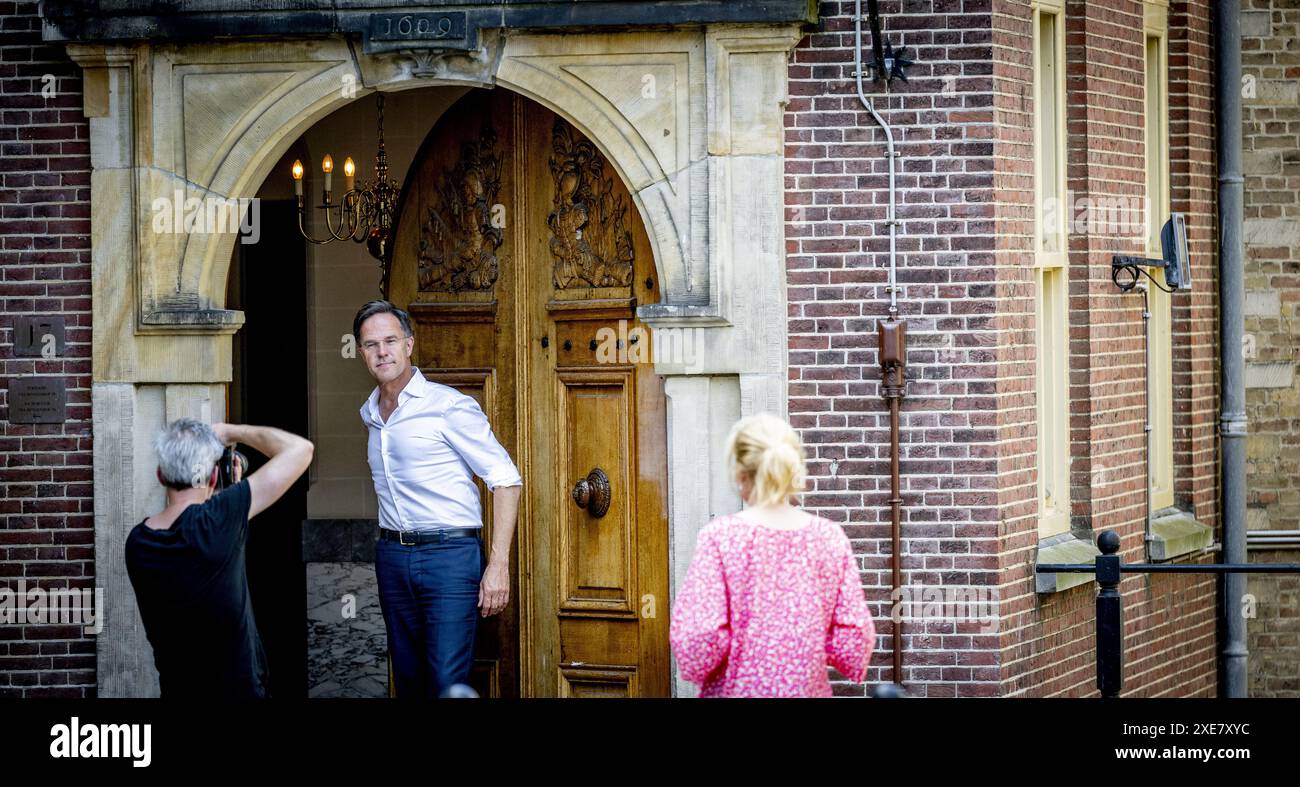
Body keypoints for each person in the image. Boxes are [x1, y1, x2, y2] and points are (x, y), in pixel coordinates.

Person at [353, 299, 523, 698]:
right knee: (409, 681)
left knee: (447, 681)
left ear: (409, 344)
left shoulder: (448, 406)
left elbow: (506, 480)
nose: (382, 351)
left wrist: (497, 564)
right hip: (393, 556)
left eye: (391, 341)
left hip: (449, 558)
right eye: (371, 344)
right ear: (361, 352)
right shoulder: (370, 413)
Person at [669, 413, 875, 697]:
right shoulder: (829, 538)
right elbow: (854, 641)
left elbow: (697, 642)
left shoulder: (720, 538)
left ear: (741, 474)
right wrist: (806, 644)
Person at [125, 419, 314, 698]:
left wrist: (225, 498)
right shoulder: (221, 519)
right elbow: (301, 449)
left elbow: (187, 528)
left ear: (161, 475)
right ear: (213, 477)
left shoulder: (138, 543)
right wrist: (229, 431)